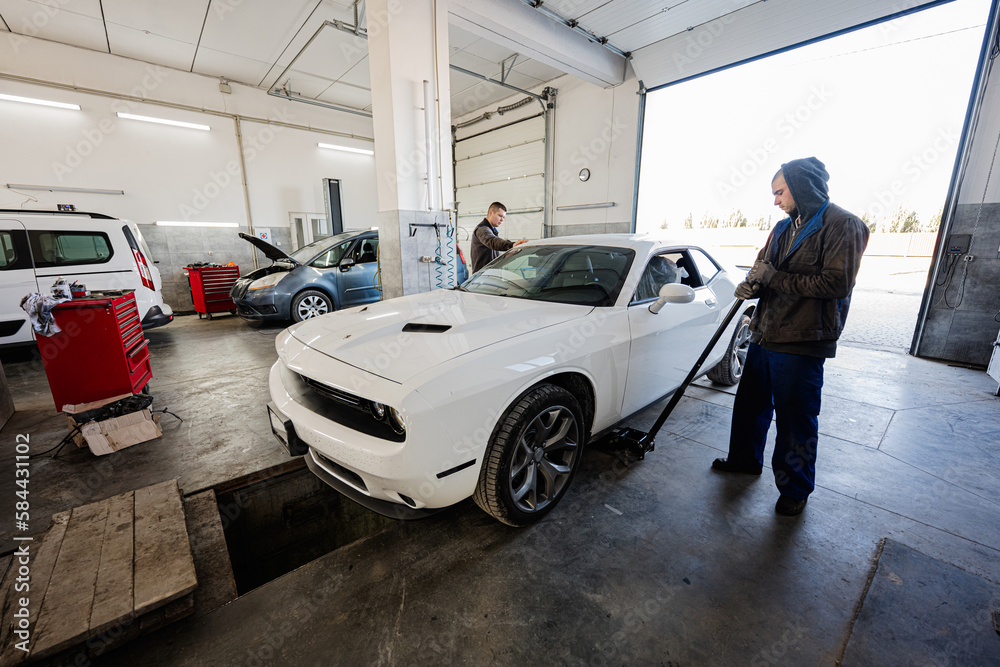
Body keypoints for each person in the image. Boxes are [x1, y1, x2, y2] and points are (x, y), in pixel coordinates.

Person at [711, 157, 869, 516]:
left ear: (802, 187)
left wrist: (773, 279)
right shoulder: (783, 228)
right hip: (765, 332)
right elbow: (763, 264)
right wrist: (752, 283)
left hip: (802, 338)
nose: (776, 200)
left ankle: (795, 488)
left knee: (796, 418)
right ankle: (744, 460)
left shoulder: (843, 225)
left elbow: (836, 283)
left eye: (780, 192)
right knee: (750, 406)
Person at [470, 202, 527, 273]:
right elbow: (492, 241)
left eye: (503, 217)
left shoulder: (492, 231)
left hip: (490, 275)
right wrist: (511, 245)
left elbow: (493, 256)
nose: (502, 220)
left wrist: (508, 254)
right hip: (482, 278)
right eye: (500, 216)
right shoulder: (482, 230)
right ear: (491, 212)